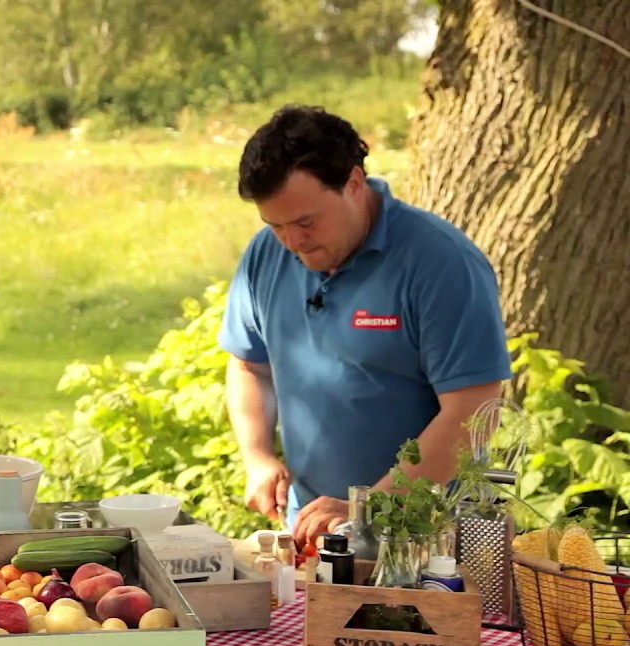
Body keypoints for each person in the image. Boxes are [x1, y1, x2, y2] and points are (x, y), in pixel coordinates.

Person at [219, 105, 513, 548]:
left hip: (434, 545)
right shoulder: (267, 254)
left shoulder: (441, 263)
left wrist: (371, 508)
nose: (291, 241)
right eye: (275, 225)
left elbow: (474, 411)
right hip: (315, 534)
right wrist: (258, 456)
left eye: (305, 221)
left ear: (354, 184)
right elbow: (248, 366)